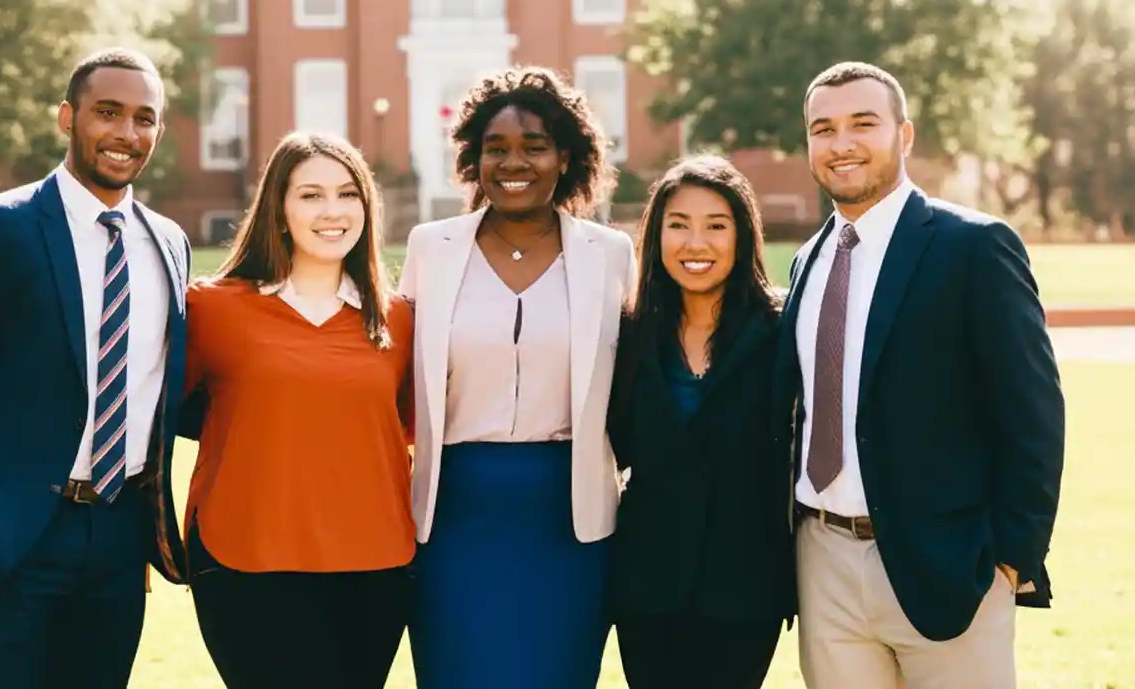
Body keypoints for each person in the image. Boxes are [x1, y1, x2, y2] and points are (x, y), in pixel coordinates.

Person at [0, 47, 189, 688]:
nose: (126, 134)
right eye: (107, 112)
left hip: (117, 537)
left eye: (144, 118)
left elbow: (169, 389)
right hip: (6, 538)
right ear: (67, 117)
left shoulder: (169, 243)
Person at [774, 61, 1065, 689]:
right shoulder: (807, 259)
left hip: (949, 564)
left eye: (863, 123)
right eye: (823, 128)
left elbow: (1032, 414)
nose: (841, 142)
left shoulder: (975, 248)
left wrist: (1013, 559)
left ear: (903, 136)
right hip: (822, 561)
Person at [398, 66, 636, 688]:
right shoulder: (431, 247)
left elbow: (640, 377)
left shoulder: (610, 254)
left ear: (566, 156)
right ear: (474, 159)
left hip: (569, 514)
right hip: (453, 513)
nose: (514, 162)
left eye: (534, 147)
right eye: (495, 149)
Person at [180, 132, 415, 688]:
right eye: (310, 195)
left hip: (375, 567)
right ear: (278, 210)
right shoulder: (211, 308)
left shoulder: (400, 319)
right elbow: (166, 416)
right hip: (245, 561)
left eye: (347, 194)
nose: (332, 211)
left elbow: (406, 430)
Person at [607, 155, 793, 688]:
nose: (696, 244)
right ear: (656, 234)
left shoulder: (782, 329)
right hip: (649, 585)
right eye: (678, 226)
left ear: (743, 236)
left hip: (746, 586)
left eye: (716, 226)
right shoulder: (626, 334)